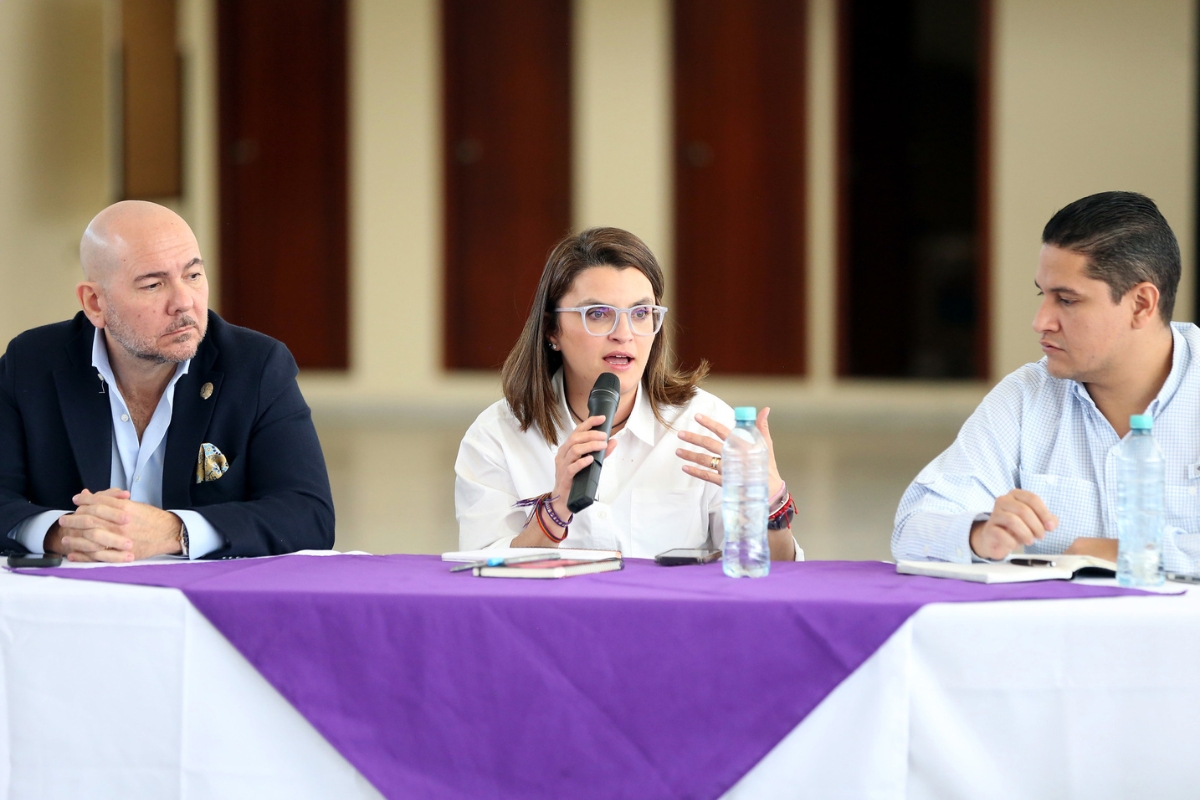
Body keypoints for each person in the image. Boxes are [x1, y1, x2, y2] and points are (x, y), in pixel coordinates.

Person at [0, 200, 335, 562]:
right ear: (95, 303)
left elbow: (309, 514)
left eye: (193, 275)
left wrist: (174, 531)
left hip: (201, 601)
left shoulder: (256, 366)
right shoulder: (31, 363)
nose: (184, 302)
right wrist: (61, 533)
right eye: (153, 284)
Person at [893, 191, 1200, 573]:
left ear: (1141, 304)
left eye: (1067, 300)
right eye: (1044, 294)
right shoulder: (1026, 396)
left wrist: (1131, 555)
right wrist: (979, 533)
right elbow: (912, 528)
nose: (1041, 322)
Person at [455, 227, 801, 559]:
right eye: (599, 313)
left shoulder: (706, 426)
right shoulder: (496, 436)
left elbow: (773, 577)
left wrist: (770, 506)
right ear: (552, 329)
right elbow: (481, 572)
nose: (625, 333)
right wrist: (555, 511)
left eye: (641, 313)